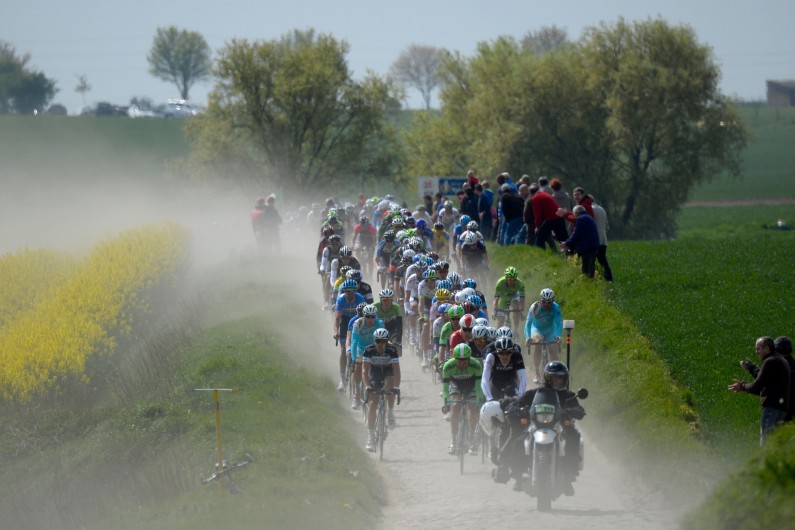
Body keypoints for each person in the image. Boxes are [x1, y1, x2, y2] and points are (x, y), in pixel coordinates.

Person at [496, 361, 585, 493]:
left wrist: (577, 410)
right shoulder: (533, 393)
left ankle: (568, 478)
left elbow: (578, 408)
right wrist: (517, 409)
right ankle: (518, 477)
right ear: (547, 378)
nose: (558, 381)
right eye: (555, 378)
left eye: (561, 378)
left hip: (561, 427)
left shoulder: (569, 396)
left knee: (573, 439)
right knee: (518, 442)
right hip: (536, 426)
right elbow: (519, 403)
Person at [730, 336, 791, 445]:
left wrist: (742, 386)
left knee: (766, 443)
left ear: (767, 349)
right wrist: (752, 368)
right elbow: (765, 379)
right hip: (782, 409)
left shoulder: (770, 361)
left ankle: (766, 461)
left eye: (758, 349)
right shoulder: (781, 361)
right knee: (778, 444)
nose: (756, 352)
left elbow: (757, 386)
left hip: (771, 408)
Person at [362, 328, 401, 451]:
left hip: (388, 372)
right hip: (374, 374)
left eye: (383, 341)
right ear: (375, 341)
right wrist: (367, 386)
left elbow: (397, 371)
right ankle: (371, 436)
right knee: (373, 404)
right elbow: (364, 370)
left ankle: (390, 412)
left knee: (390, 383)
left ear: (387, 342)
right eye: (378, 341)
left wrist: (396, 387)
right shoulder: (369, 350)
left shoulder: (392, 350)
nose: (380, 344)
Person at [441, 343, 484, 455]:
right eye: (459, 361)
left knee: (473, 406)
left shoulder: (476, 365)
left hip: (472, 385)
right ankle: (454, 440)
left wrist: (479, 401)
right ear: (454, 358)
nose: (462, 364)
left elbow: (479, 388)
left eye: (465, 361)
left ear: (469, 359)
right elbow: (445, 389)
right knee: (455, 406)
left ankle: (471, 434)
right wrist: (446, 402)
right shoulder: (448, 366)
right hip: (456, 384)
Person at [349, 305, 385, 409]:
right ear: (364, 316)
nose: (370, 319)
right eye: (368, 316)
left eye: (373, 317)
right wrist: (354, 358)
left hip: (374, 348)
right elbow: (354, 342)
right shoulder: (358, 323)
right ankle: (356, 395)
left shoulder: (380, 323)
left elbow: (384, 340)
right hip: (361, 349)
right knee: (358, 367)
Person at [524, 288, 563, 384]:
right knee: (537, 344)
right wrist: (528, 337)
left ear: (552, 302)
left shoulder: (556, 308)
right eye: (543, 302)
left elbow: (559, 324)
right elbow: (528, 324)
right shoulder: (535, 308)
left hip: (550, 330)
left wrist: (558, 336)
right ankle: (537, 372)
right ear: (540, 300)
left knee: (553, 350)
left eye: (548, 303)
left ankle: (556, 372)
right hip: (537, 329)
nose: (546, 305)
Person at [334, 279, 367, 391]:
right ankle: (342, 379)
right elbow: (337, 318)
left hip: (357, 320)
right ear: (344, 291)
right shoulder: (341, 299)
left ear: (355, 290)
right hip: (345, 321)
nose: (350, 293)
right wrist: (336, 331)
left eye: (352, 291)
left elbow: (365, 315)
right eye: (348, 291)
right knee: (344, 350)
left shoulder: (360, 298)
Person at [482, 336, 527, 401]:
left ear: (512, 351)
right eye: (501, 352)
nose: (505, 356)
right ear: (496, 352)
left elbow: (522, 379)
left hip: (511, 385)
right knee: (487, 399)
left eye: (508, 352)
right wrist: (489, 398)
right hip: (495, 385)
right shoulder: (491, 357)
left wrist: (520, 397)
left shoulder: (517, 356)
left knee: (513, 397)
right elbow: (484, 379)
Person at [560, 205, 600, 279]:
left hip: (587, 246)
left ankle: (587, 283)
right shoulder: (588, 217)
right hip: (593, 245)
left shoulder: (581, 219)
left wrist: (566, 243)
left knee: (586, 268)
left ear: (576, 213)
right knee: (591, 266)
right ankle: (591, 283)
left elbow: (576, 234)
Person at [492, 266, 526, 336]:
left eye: (514, 279)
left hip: (514, 296)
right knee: (500, 320)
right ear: (506, 278)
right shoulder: (500, 283)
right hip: (503, 297)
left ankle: (515, 329)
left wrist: (521, 310)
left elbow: (522, 299)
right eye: (510, 279)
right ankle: (496, 337)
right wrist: (495, 310)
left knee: (516, 305)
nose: (512, 281)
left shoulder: (520, 284)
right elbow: (496, 299)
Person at [591, 202, 614, 281]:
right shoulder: (601, 209)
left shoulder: (590, 209)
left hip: (595, 238)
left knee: (593, 259)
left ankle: (598, 277)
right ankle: (609, 277)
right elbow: (607, 226)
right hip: (603, 238)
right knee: (603, 259)